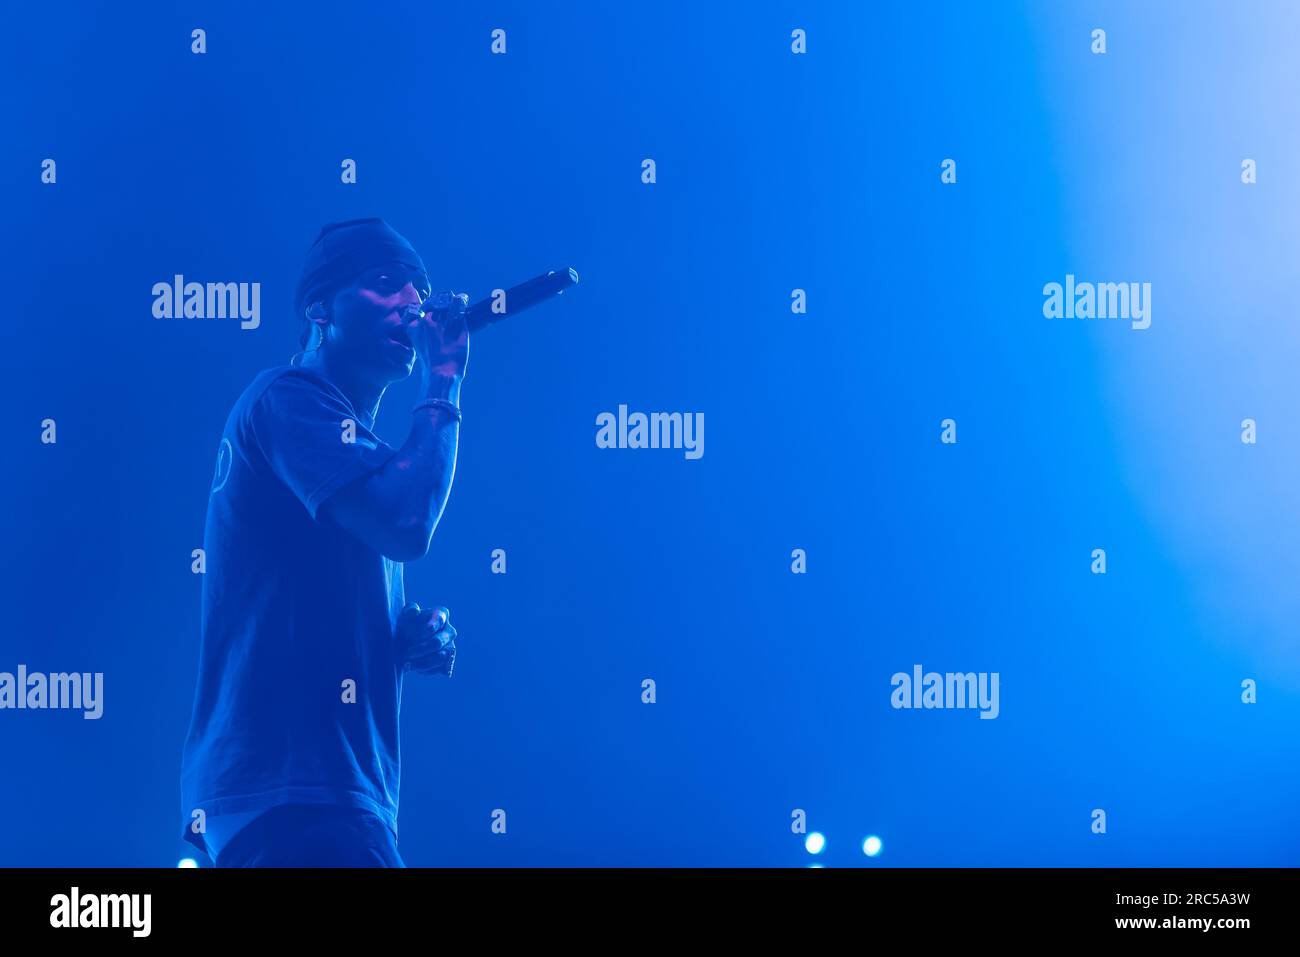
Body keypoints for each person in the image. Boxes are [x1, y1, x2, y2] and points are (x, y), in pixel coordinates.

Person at [179, 218, 469, 866]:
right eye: (386, 283)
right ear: (319, 306)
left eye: (419, 288)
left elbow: (346, 566)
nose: (414, 303)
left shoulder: (354, 459)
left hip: (307, 800)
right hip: (302, 800)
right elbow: (407, 524)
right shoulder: (288, 400)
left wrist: (401, 632)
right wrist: (444, 380)